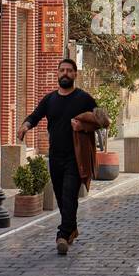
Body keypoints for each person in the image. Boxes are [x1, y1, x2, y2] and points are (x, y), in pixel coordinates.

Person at [18, 58, 106, 255]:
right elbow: (35, 115)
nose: (65, 73)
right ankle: (72, 228)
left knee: (68, 195)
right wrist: (25, 125)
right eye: (62, 70)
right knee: (61, 197)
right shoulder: (50, 99)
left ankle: (63, 235)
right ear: (57, 74)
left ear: (75, 74)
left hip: (75, 158)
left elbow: (103, 120)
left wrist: (83, 126)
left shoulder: (84, 98)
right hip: (55, 157)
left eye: (69, 71)